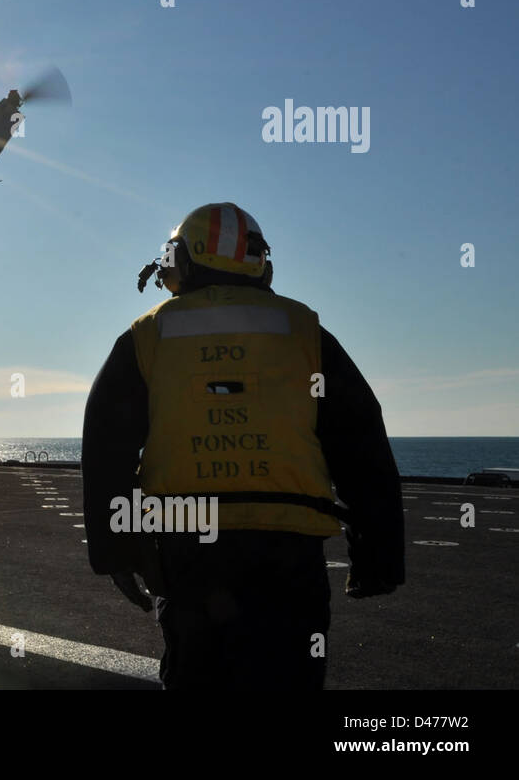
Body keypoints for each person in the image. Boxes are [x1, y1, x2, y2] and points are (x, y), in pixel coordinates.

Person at [81, 203, 404, 690]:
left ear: (183, 261)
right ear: (260, 263)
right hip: (289, 556)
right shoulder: (305, 333)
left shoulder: (148, 336)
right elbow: (363, 445)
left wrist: (115, 551)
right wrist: (379, 558)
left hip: (188, 551)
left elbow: (106, 447)